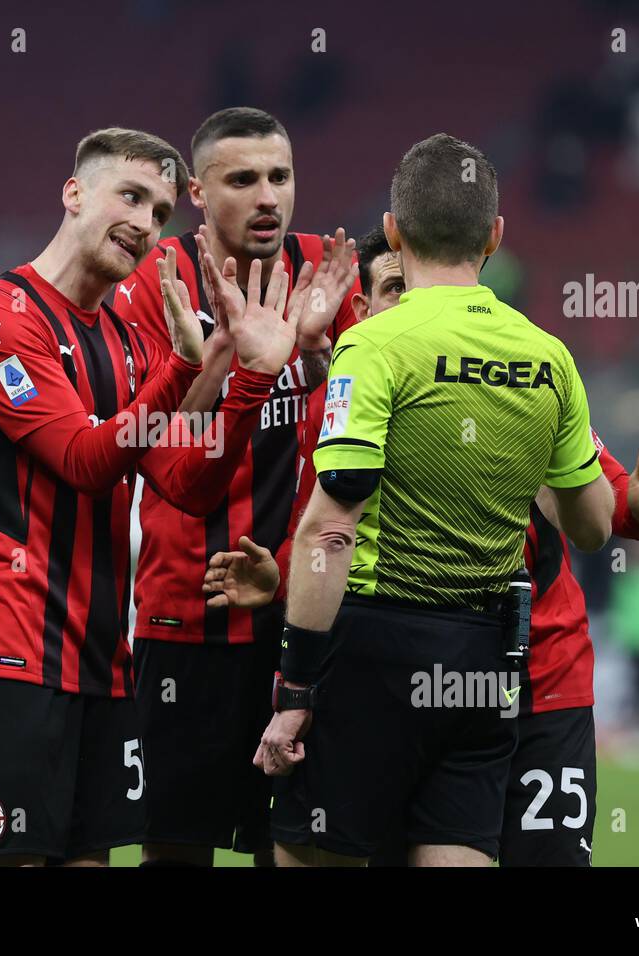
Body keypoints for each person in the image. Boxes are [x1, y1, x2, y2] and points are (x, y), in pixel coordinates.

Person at [0, 126, 303, 866]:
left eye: (162, 211)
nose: (145, 222)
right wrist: (181, 371)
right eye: (130, 196)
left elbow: (184, 484)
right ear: (74, 194)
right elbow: (83, 459)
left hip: (102, 658)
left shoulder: (127, 342)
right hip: (10, 651)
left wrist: (251, 377)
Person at [258, 132, 617, 867]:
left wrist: (295, 687)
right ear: (494, 235)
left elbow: (331, 530)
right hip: (485, 660)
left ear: (393, 229)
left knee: (311, 858)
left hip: (373, 647)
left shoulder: (377, 345)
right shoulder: (550, 356)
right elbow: (592, 526)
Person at [110, 107, 358, 866]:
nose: (267, 198)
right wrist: (218, 367)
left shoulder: (325, 273)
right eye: (242, 179)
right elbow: (152, 440)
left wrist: (315, 354)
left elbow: (364, 425)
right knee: (175, 848)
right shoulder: (157, 285)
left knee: (295, 848)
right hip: (188, 613)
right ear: (195, 191)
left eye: (279, 177)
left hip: (308, 617)